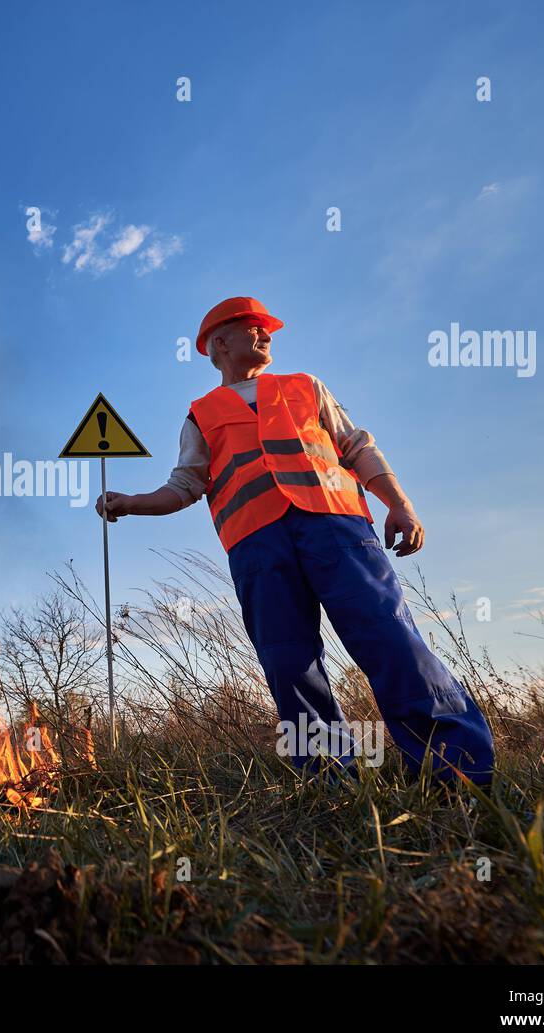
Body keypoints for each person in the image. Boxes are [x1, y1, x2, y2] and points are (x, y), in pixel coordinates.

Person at [96, 296, 494, 784]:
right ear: (219, 343)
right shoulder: (201, 414)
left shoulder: (305, 387)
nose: (267, 336)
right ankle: (329, 780)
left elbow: (356, 447)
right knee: (289, 662)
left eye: (268, 330)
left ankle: (457, 771)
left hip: (338, 529)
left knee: (389, 638)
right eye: (254, 329)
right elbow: (185, 485)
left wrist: (400, 503)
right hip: (257, 546)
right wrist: (132, 502)